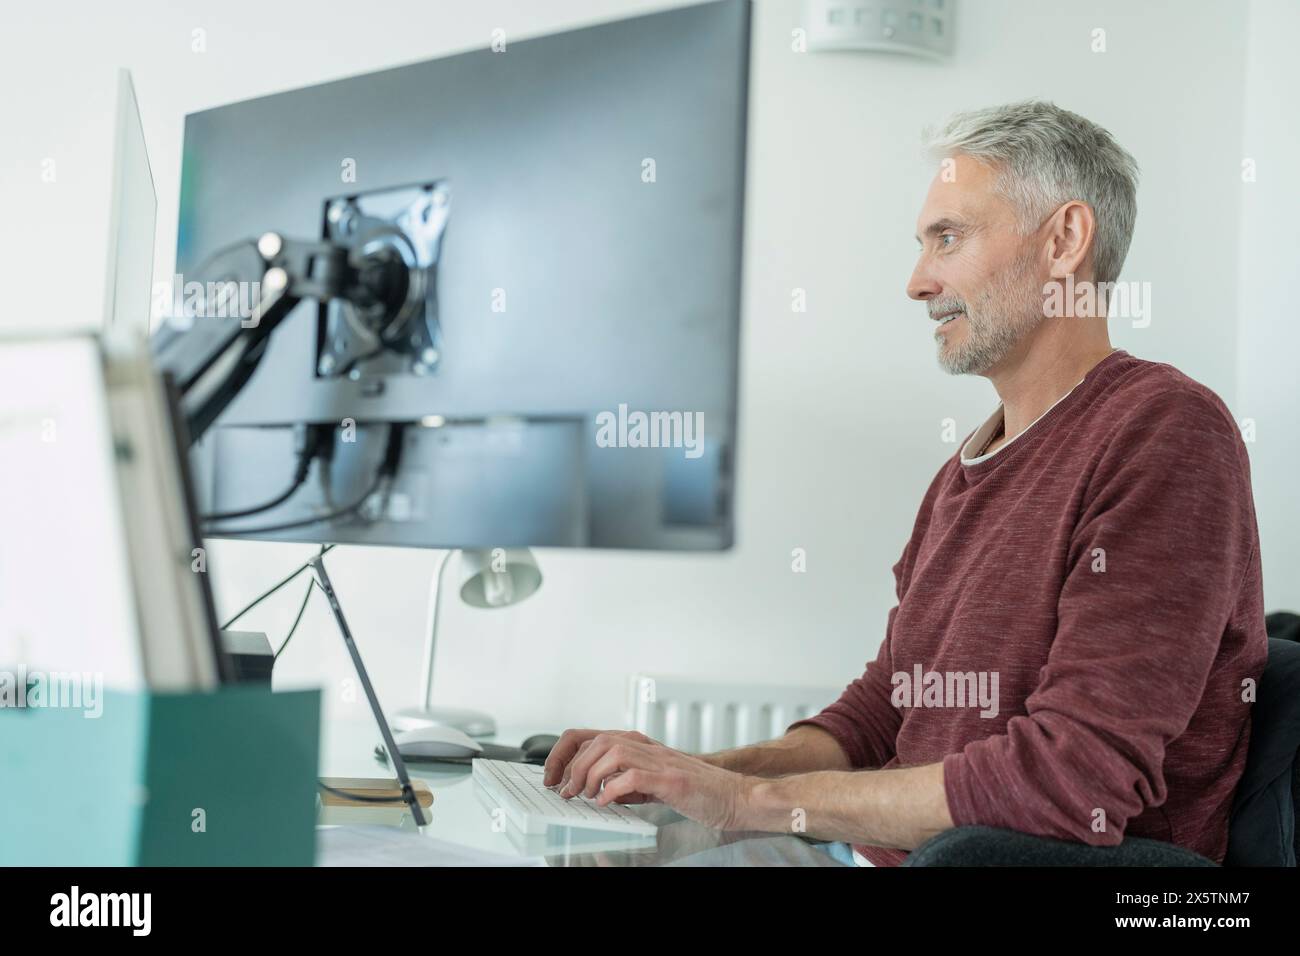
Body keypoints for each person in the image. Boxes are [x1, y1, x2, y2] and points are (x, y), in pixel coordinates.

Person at [543, 100, 1267, 866]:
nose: (919, 283)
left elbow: (1072, 780)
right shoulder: (964, 474)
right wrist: (685, 778)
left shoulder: (1166, 432)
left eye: (948, 238)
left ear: (1064, 240)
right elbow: (877, 721)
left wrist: (743, 803)